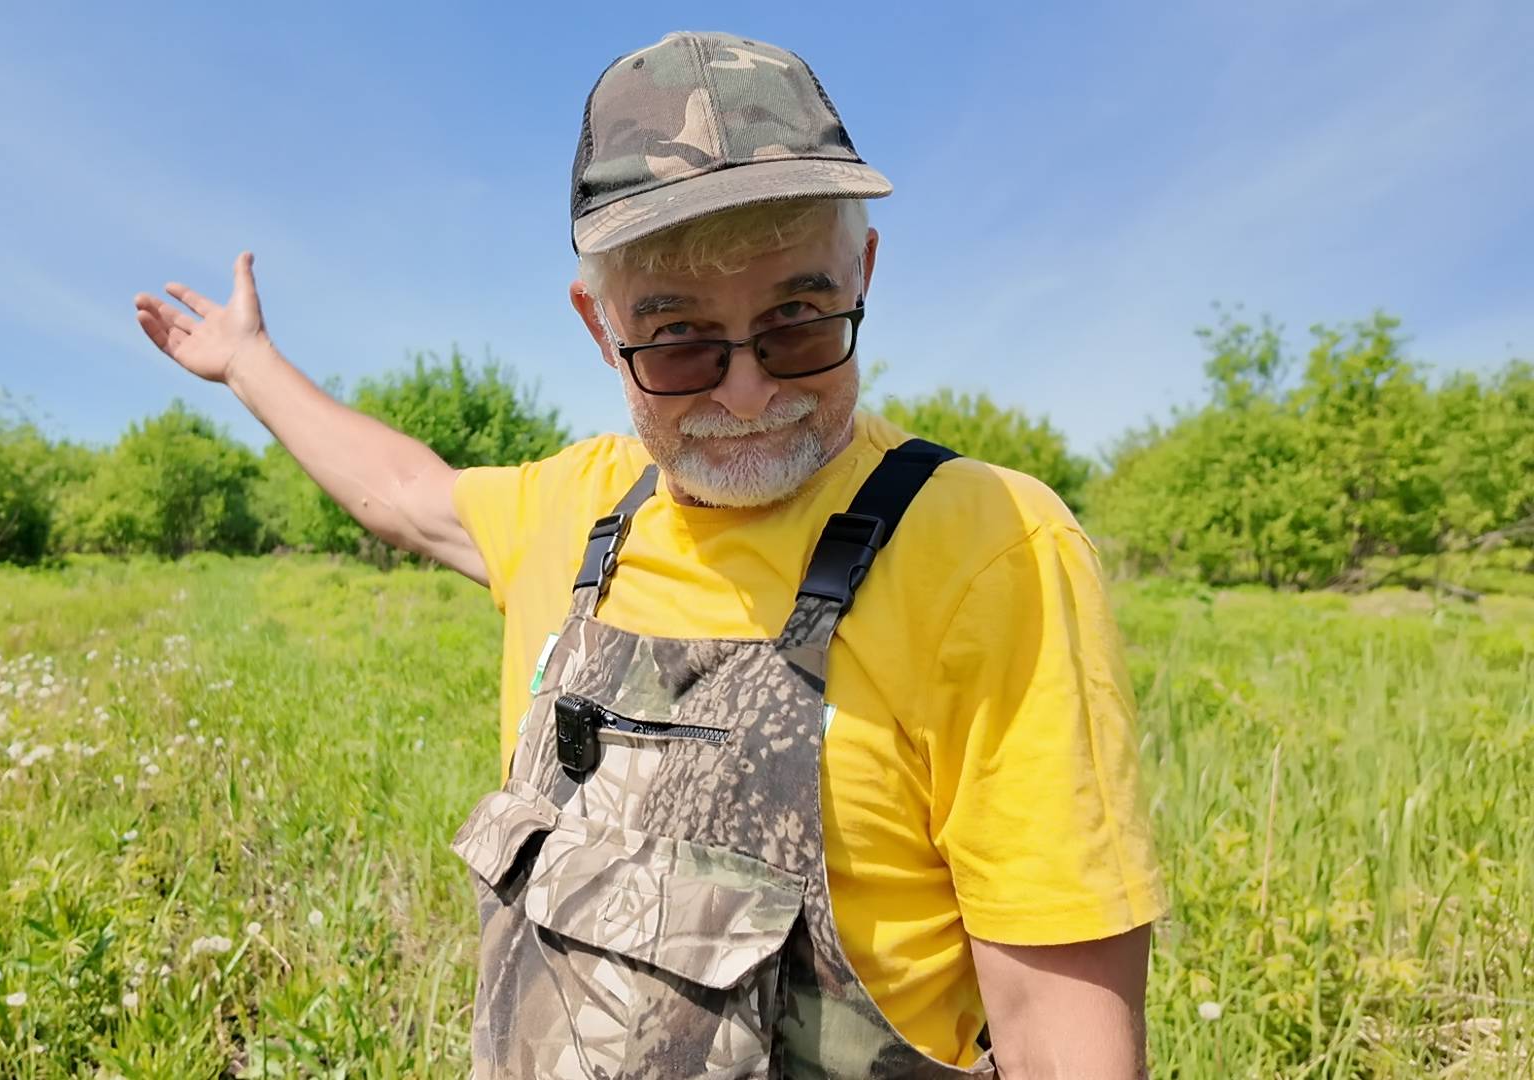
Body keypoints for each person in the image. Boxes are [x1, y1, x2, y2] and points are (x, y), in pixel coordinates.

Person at [134, 29, 1164, 1079]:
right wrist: (249, 366)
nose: (749, 393)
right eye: (678, 341)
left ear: (864, 272)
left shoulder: (989, 551)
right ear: (598, 324)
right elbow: (407, 495)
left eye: (799, 321)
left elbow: (1059, 1040)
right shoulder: (577, 509)